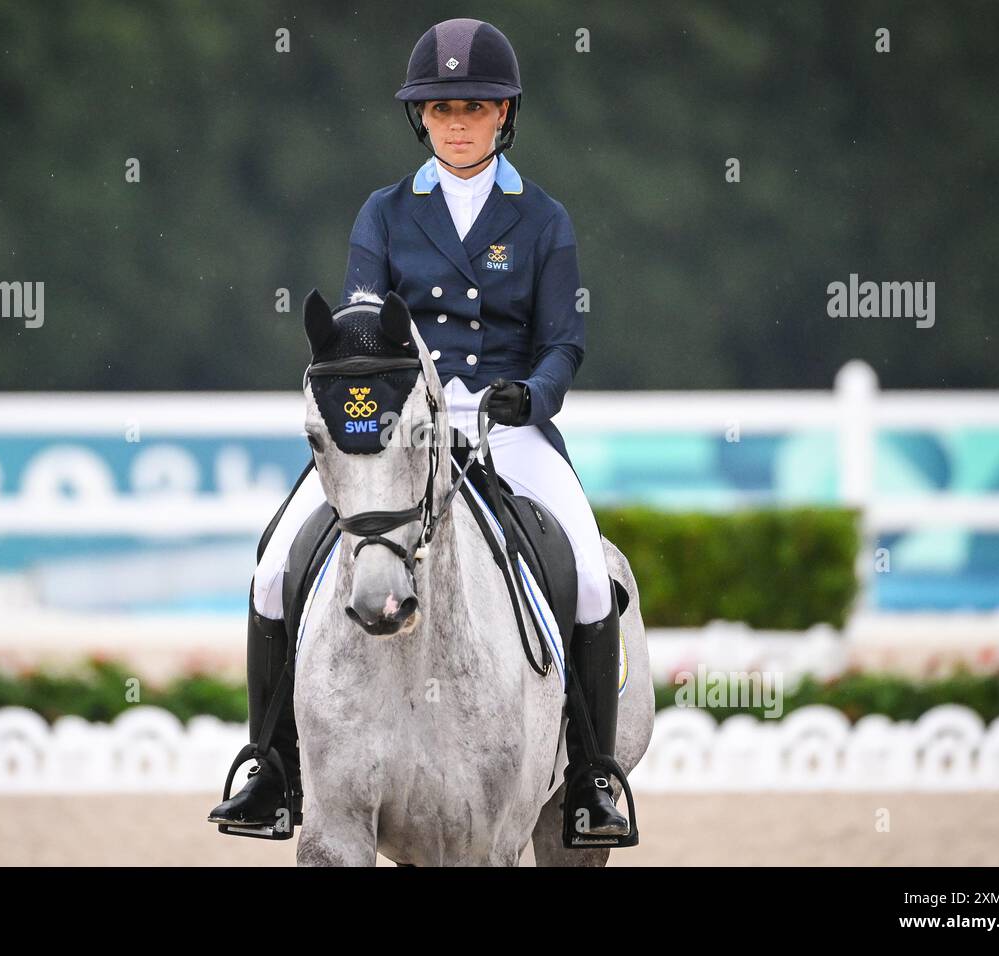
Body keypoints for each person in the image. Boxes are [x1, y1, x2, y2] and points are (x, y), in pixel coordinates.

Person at [209, 17, 630, 839]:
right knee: (271, 570)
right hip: (402, 436)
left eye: (475, 107)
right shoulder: (385, 213)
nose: (459, 123)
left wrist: (531, 398)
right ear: (422, 120)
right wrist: (377, 410)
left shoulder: (542, 218)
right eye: (441, 111)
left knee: (583, 572)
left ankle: (588, 780)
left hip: (506, 427)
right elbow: (364, 327)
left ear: (505, 113)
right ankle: (272, 766)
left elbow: (564, 343)